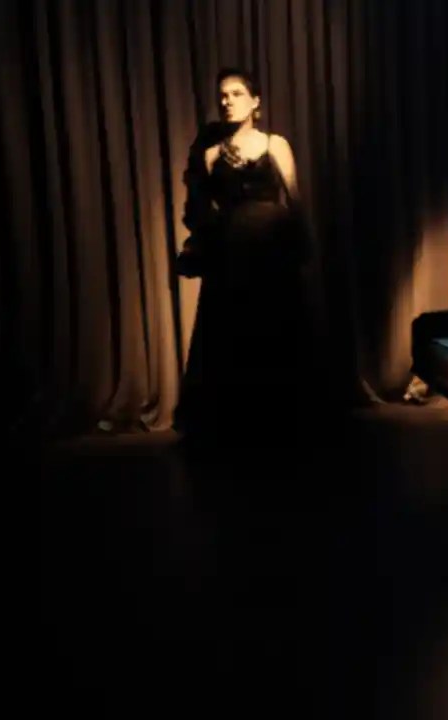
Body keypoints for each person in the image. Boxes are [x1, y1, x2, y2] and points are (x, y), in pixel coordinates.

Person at [173, 67, 318, 447]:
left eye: (236, 93)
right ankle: (231, 426)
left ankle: (282, 422)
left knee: (276, 330)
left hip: (272, 251)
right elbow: (205, 211)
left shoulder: (275, 144)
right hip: (231, 254)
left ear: (256, 103)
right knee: (230, 334)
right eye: (223, 95)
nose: (227, 101)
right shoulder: (208, 155)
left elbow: (295, 199)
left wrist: (300, 247)